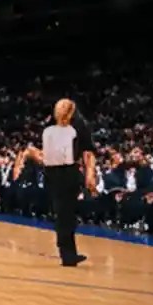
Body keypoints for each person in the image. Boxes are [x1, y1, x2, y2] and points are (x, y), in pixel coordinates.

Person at [15, 98, 98, 266]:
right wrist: (90, 174)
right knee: (66, 214)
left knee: (62, 213)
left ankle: (67, 252)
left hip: (53, 173)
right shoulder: (79, 126)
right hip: (67, 172)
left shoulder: (52, 128)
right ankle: (68, 255)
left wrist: (34, 154)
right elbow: (88, 153)